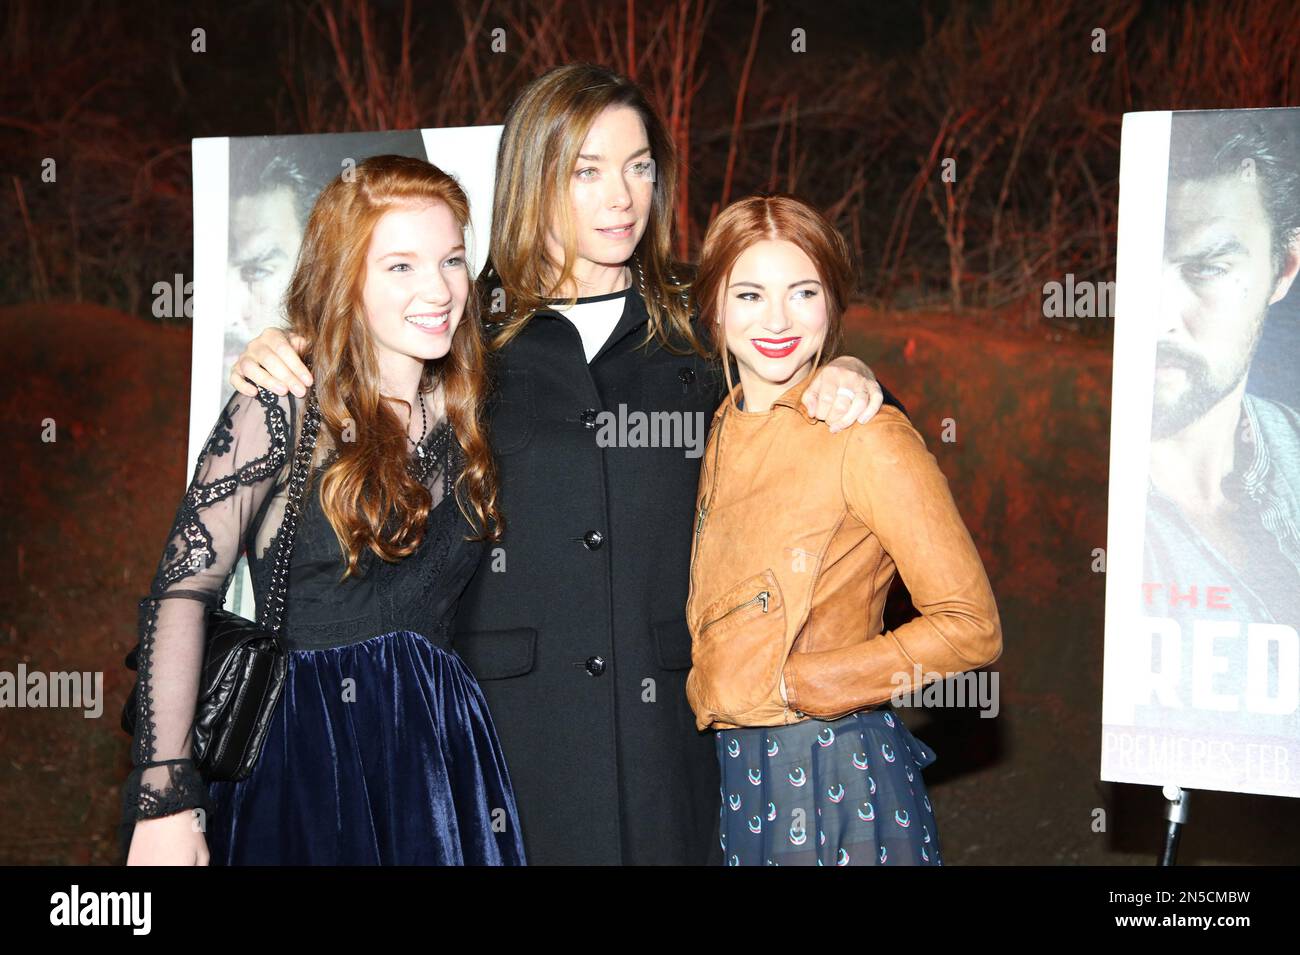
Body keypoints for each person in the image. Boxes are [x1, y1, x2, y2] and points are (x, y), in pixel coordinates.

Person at [228, 63, 898, 865]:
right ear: (534, 175)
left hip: (674, 735)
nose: (621, 197)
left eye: (639, 166)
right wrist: (283, 345)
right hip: (504, 740)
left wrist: (852, 374)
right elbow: (354, 355)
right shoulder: (463, 323)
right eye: (587, 171)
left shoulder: (700, 315)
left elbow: (824, 404)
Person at [121, 155, 526, 865]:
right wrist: (165, 796)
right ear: (347, 278)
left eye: (453, 259)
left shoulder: (470, 405)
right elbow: (181, 593)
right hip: (308, 759)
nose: (438, 289)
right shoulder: (281, 402)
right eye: (400, 266)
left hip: (441, 755)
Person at [686, 194, 1002, 866]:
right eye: (749, 294)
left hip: (839, 775)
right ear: (713, 306)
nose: (777, 319)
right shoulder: (721, 426)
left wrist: (804, 684)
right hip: (741, 777)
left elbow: (971, 625)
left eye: (804, 292)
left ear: (832, 305)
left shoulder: (867, 434)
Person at [1138, 109, 1300, 739]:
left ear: (1282, 269)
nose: (1159, 317)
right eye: (1144, 267)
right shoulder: (1089, 498)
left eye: (1206, 268)